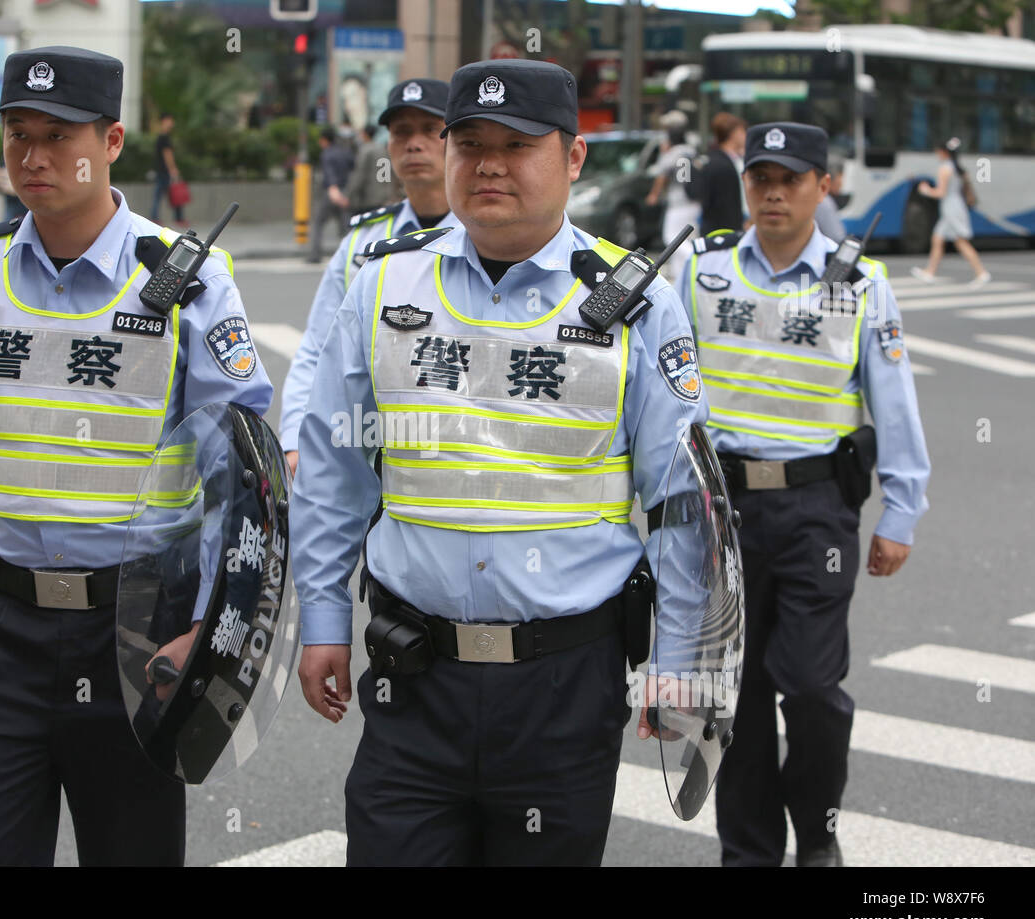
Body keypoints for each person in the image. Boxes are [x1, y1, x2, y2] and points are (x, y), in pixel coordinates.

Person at [291, 59, 709, 866]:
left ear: (574, 158)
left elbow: (679, 499)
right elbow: (336, 473)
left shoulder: (634, 304)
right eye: (469, 142)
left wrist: (679, 658)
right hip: (412, 674)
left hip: (564, 684)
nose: (488, 165)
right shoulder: (381, 285)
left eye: (517, 146)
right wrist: (321, 622)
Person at [0, 45, 273, 866]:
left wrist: (214, 625)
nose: (32, 156)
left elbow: (244, 473)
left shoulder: (188, 284)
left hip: (135, 638)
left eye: (57, 135)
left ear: (112, 141)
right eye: (17, 135)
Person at [677, 122, 930, 866]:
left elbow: (896, 406)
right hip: (722, 514)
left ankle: (815, 834)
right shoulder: (701, 271)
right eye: (761, 178)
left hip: (817, 509)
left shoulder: (859, 285)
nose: (774, 193)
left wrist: (902, 511)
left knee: (812, 688)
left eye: (792, 179)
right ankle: (748, 853)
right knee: (740, 699)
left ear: (825, 186)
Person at [281, 78, 456, 473]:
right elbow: (318, 348)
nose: (414, 143)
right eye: (401, 133)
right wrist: (294, 437)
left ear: (457, 140)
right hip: (368, 451)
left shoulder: (486, 237)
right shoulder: (364, 241)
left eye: (430, 130)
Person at [910, 137, 989, 287]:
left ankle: (981, 272)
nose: (937, 154)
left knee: (960, 242)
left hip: (952, 209)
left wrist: (925, 190)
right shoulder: (956, 168)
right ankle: (930, 271)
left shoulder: (945, 169)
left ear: (944, 152)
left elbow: (941, 192)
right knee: (937, 239)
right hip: (952, 208)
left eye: (938, 151)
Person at [644, 109, 700, 281]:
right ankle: (682, 275)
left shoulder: (672, 152)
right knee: (688, 238)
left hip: (678, 203)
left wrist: (654, 195)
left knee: (672, 238)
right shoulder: (691, 148)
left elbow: (661, 175)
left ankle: (696, 261)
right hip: (694, 201)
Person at [305, 126, 354, 263]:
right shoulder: (345, 152)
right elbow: (353, 169)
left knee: (319, 223)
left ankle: (315, 255)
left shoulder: (326, 154)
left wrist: (333, 189)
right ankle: (349, 256)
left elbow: (329, 172)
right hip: (345, 192)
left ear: (324, 140)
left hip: (331, 193)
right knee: (345, 228)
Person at [696, 111, 747, 235]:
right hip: (723, 229)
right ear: (733, 134)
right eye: (742, 131)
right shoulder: (719, 163)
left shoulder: (735, 159)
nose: (745, 135)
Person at [345, 125, 398, 216]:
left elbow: (359, 175)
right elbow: (388, 174)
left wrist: (349, 195)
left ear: (364, 134)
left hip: (367, 199)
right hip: (383, 198)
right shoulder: (383, 149)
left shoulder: (365, 150)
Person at [149, 113, 185, 227]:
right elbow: (167, 154)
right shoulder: (164, 138)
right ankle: (178, 218)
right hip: (165, 171)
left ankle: (157, 216)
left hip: (162, 171)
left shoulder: (162, 137)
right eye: (169, 120)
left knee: (162, 194)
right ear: (164, 121)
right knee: (173, 194)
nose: (171, 123)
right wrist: (173, 169)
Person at [813, 154, 846, 242]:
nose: (841, 183)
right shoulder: (825, 202)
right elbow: (837, 237)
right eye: (840, 177)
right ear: (829, 180)